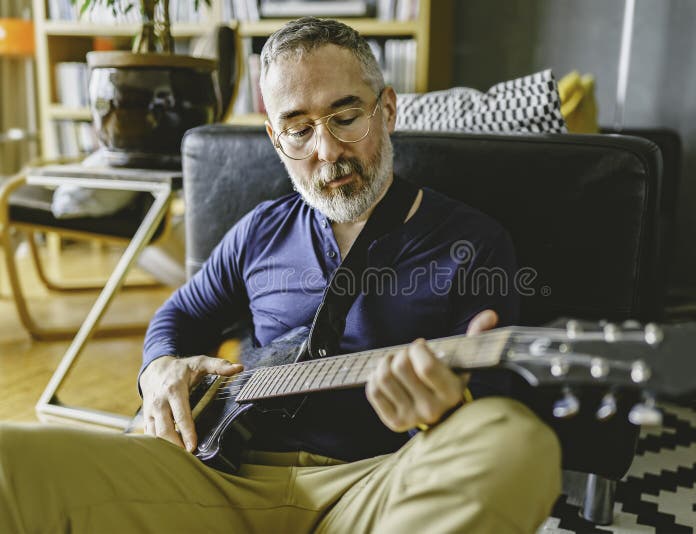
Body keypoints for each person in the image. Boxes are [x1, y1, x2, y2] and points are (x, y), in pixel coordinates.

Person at [0, 17, 560, 533]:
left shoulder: (473, 243)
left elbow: (484, 406)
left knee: (517, 442)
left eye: (346, 118)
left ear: (387, 111)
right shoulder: (260, 230)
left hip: (377, 487)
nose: (327, 151)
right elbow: (183, 313)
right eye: (298, 129)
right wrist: (158, 369)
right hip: (219, 480)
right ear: (274, 137)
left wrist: (444, 413)